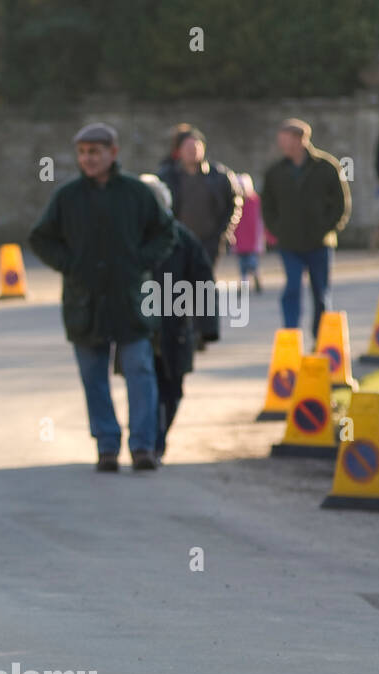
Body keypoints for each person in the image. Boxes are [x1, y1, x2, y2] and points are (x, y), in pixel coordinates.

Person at [29, 122, 176, 472]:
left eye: (94, 152)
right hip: (86, 302)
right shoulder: (67, 197)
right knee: (93, 377)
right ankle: (107, 446)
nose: (88, 159)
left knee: (140, 371)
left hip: (130, 301)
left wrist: (140, 261)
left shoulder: (137, 193)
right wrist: (71, 265)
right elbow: (41, 238)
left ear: (113, 152)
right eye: (82, 152)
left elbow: (165, 232)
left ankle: (143, 446)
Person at [137, 174, 212, 461]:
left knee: (173, 389)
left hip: (175, 327)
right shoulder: (131, 237)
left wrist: (207, 328)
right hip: (140, 328)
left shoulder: (184, 240)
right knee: (146, 386)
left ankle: (158, 437)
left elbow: (203, 280)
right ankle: (148, 444)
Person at [261, 118, 350, 343]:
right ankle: (291, 337)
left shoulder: (327, 166)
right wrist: (277, 229)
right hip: (289, 242)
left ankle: (321, 340)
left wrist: (327, 228)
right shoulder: (275, 172)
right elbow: (267, 205)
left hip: (320, 242)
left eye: (286, 140)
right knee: (292, 288)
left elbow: (341, 204)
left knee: (321, 293)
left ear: (300, 139)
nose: (282, 145)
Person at [156, 125, 239, 346]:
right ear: (178, 151)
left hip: (209, 242)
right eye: (188, 147)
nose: (193, 151)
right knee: (178, 286)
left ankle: (203, 330)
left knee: (202, 286)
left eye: (197, 146)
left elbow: (234, 205)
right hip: (177, 243)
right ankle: (184, 329)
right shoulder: (167, 176)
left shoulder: (220, 176)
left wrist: (223, 233)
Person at [232, 173, 264, 293]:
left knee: (252, 262)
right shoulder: (235, 202)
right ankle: (244, 284)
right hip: (239, 239)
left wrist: (262, 239)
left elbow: (260, 222)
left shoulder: (255, 201)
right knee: (242, 265)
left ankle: (256, 276)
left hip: (252, 240)